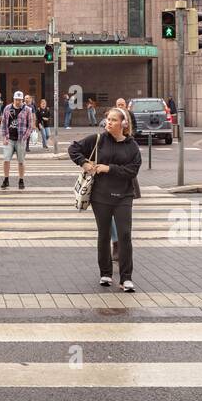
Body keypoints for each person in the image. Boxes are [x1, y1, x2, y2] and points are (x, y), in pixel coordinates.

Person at [68, 107, 142, 292]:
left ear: (123, 124)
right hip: (100, 196)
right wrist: (84, 163)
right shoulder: (98, 140)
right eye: (108, 119)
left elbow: (132, 171)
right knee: (104, 234)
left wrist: (109, 169)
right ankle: (106, 273)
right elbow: (73, 148)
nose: (109, 122)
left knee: (124, 235)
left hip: (123, 196)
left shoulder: (131, 146)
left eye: (114, 120)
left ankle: (126, 278)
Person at [0, 90, 36, 190]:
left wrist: (24, 137)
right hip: (9, 139)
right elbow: (3, 123)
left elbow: (30, 125)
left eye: (19, 100)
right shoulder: (7, 108)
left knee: (21, 161)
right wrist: (4, 137)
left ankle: (21, 180)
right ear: (13, 99)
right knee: (6, 160)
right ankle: (6, 179)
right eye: (16, 100)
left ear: (22, 100)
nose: (18, 102)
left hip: (20, 139)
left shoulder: (27, 110)